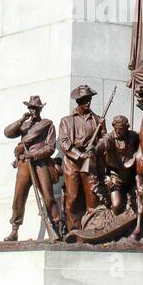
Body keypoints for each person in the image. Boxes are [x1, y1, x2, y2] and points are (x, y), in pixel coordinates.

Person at [2, 95, 59, 242]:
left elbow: (50, 147)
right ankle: (14, 230)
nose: (33, 110)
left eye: (35, 108)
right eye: (30, 107)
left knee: (48, 197)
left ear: (40, 109)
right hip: (24, 165)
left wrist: (33, 154)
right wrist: (21, 120)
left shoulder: (47, 124)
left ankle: (56, 227)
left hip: (40, 163)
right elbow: (8, 133)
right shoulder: (24, 125)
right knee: (19, 197)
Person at [57, 84, 106, 229]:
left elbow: (104, 141)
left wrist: (96, 148)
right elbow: (64, 143)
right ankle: (74, 231)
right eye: (85, 99)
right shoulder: (66, 120)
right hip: (73, 162)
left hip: (90, 161)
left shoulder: (97, 120)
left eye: (89, 99)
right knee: (72, 198)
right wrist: (80, 155)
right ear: (78, 101)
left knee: (92, 196)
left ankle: (92, 228)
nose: (88, 102)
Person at [96, 114, 139, 214]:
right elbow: (103, 143)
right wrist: (96, 148)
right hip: (116, 176)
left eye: (121, 129)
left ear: (126, 128)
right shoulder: (110, 138)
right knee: (116, 206)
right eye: (116, 128)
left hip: (131, 176)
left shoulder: (133, 136)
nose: (118, 131)